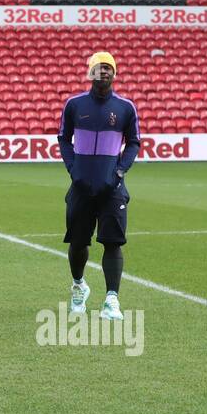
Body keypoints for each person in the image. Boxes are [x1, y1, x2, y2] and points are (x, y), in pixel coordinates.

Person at [57, 51, 140, 322]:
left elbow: (134, 142)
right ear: (89, 72)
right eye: (97, 68)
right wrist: (73, 168)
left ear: (114, 73)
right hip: (81, 186)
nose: (102, 72)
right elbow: (63, 138)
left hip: (112, 187)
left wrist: (119, 170)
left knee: (113, 242)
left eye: (107, 68)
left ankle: (111, 300)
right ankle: (79, 285)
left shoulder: (126, 107)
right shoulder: (74, 105)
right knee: (79, 242)